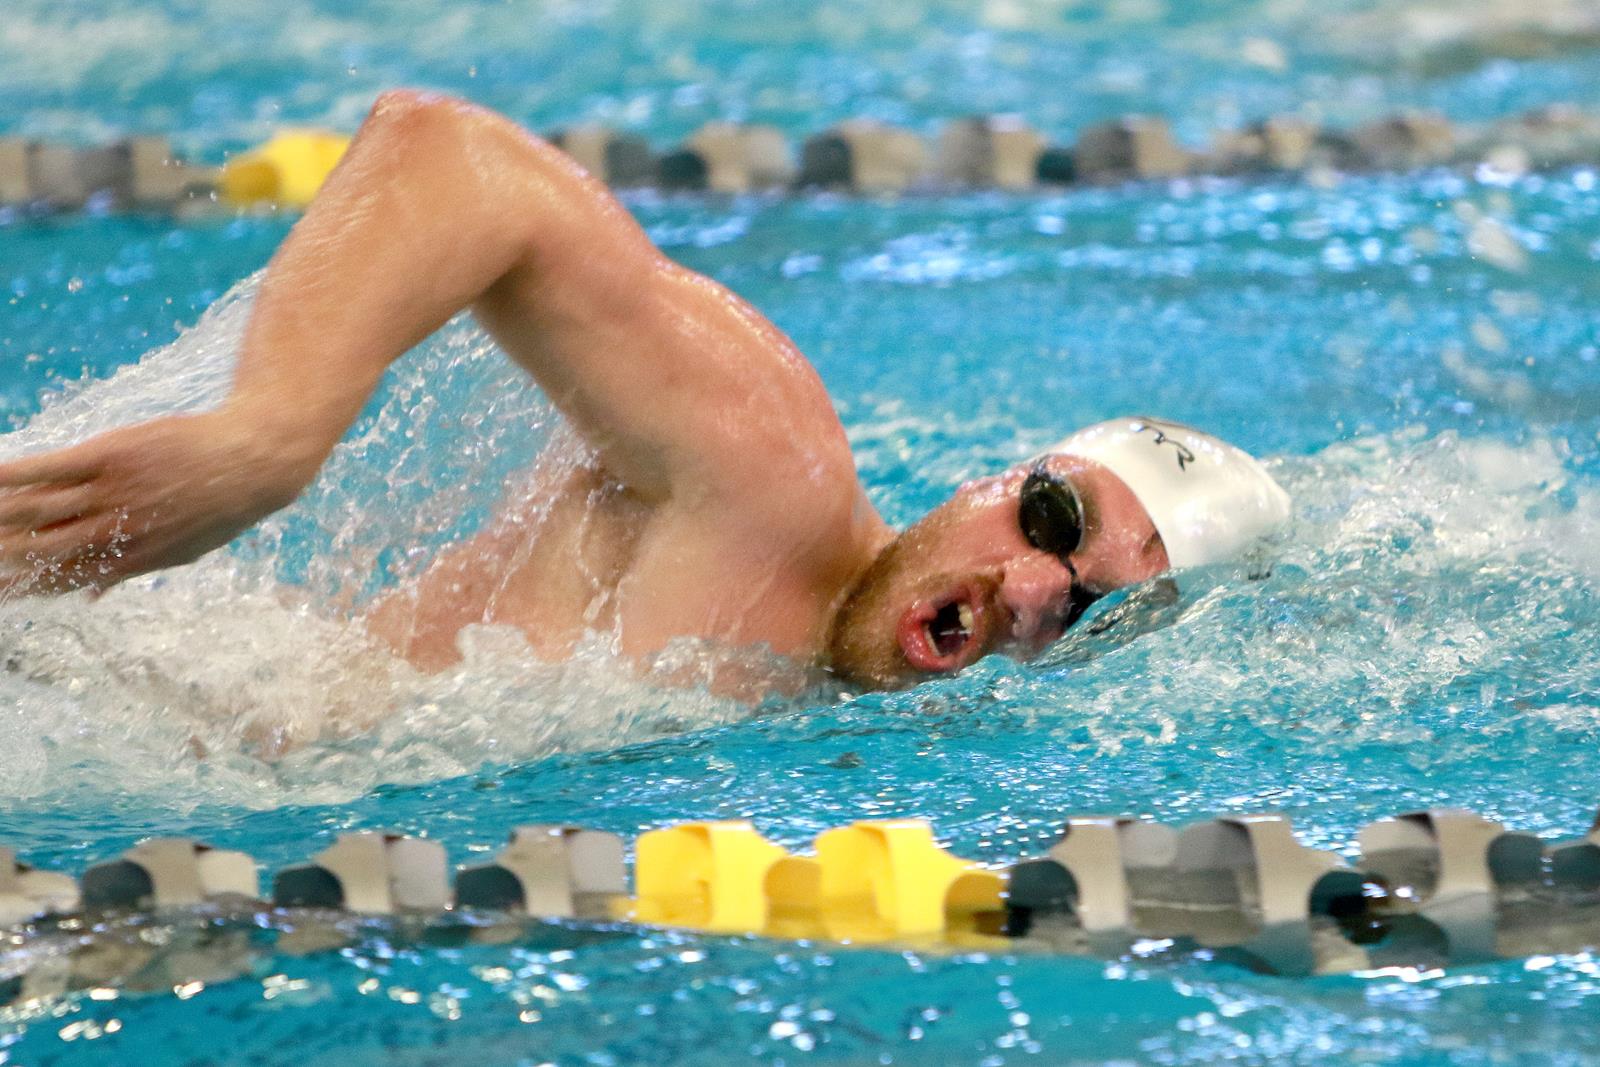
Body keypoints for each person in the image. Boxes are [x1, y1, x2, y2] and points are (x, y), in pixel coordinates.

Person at [0, 91, 1290, 691]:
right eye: (1051, 519)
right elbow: (455, 157)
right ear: (990, 480)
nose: (1027, 591)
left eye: (1089, 613)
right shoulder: (766, 472)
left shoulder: (836, 750)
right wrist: (270, 436)